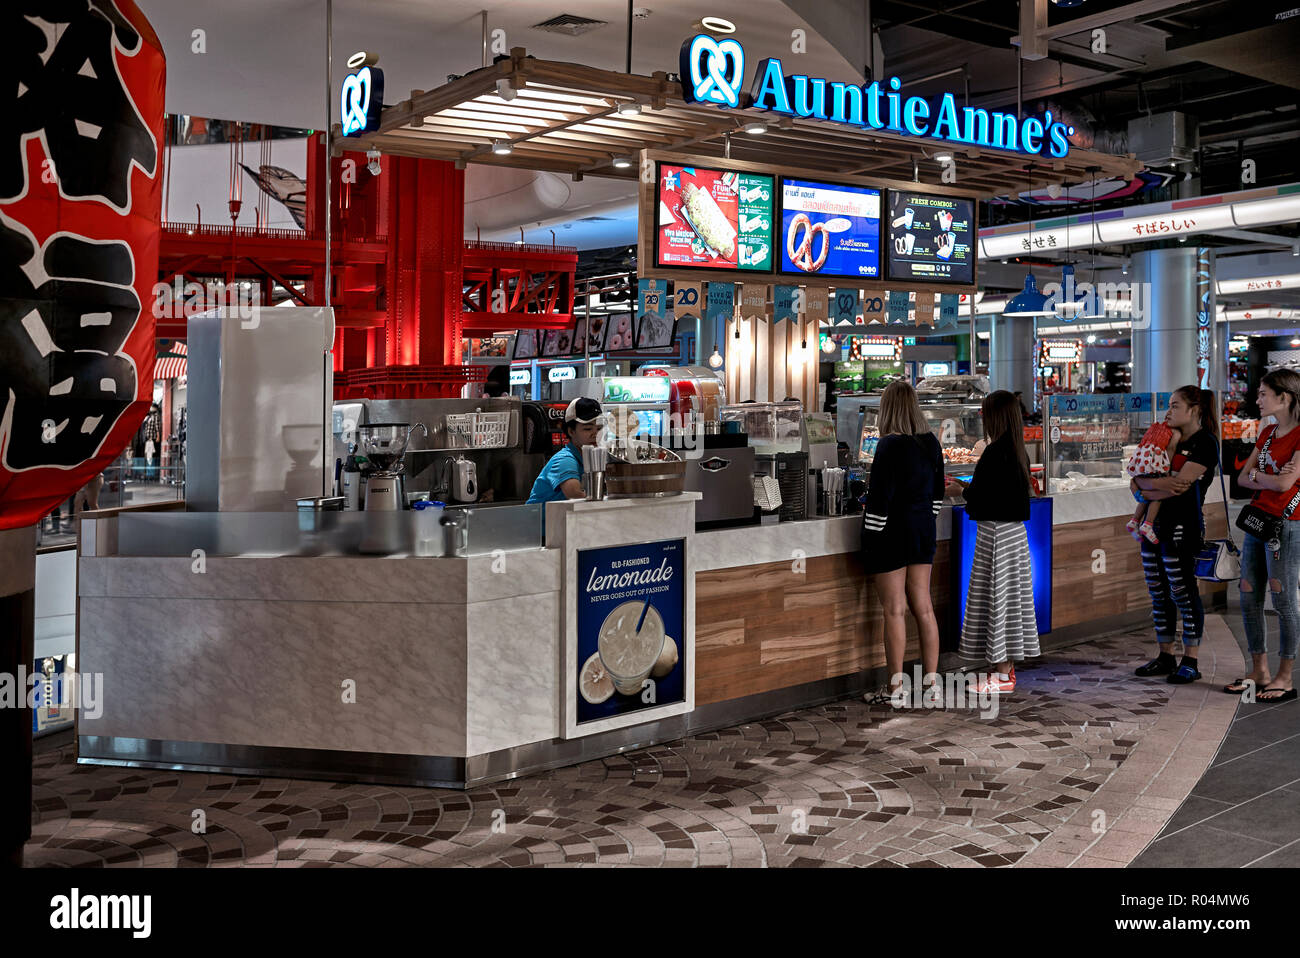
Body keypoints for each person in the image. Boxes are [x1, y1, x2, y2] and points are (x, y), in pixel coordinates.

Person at [859, 381, 944, 706]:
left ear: (888, 409)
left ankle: (895, 690)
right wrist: (923, 518)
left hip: (891, 533)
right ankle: (931, 686)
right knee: (923, 607)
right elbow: (937, 497)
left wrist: (870, 538)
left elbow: (879, 503)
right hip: (923, 529)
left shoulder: (888, 446)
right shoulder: (930, 443)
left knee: (895, 609)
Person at [948, 390, 1038, 695]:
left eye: (985, 412)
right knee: (1009, 602)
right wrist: (966, 487)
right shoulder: (1014, 450)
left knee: (998, 601)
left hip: (997, 535)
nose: (981, 418)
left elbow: (982, 498)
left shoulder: (996, 452)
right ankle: (1004, 670)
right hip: (1010, 535)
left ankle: (1001, 675)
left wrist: (959, 490)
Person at [1132, 386, 1219, 684]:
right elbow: (1137, 481)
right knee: (1158, 592)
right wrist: (1151, 485)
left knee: (1182, 591)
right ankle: (1165, 655)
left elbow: (1179, 485)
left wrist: (1148, 486)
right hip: (1153, 527)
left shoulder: (1205, 442)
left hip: (1183, 527)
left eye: (1175, 405)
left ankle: (1191, 660)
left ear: (1195, 409)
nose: (1168, 412)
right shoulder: (1167, 437)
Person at [1227, 370, 1300, 702]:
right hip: (1258, 521)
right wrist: (1266, 477)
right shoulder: (1269, 433)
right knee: (1248, 594)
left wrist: (1263, 476)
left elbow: (1285, 485)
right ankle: (1259, 669)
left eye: (1263, 394)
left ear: (1284, 398)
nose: (1256, 399)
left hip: (1286, 524)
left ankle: (1285, 675)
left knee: (1283, 599)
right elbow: (1241, 478)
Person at [526, 397, 603, 504]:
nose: (595, 434)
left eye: (599, 428)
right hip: (541, 520)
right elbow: (575, 494)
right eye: (588, 429)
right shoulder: (565, 459)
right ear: (571, 431)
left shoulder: (592, 459)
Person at [1126, 420, 1182, 543]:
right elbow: (1171, 448)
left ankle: (1135, 521)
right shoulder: (1176, 432)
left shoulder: (1155, 427)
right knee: (1158, 494)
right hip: (1154, 461)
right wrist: (1166, 469)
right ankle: (1147, 524)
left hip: (1142, 460)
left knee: (1147, 493)